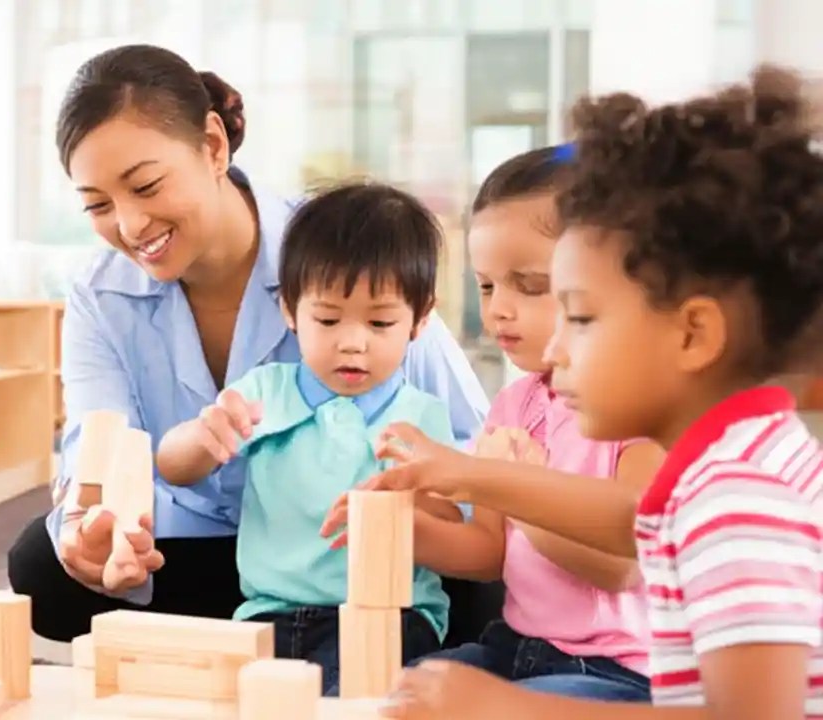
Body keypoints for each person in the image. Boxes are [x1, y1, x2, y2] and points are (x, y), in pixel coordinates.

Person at [327, 66, 823, 720]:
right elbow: (629, 521)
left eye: (581, 318)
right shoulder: (725, 467)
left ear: (694, 333)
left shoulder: (737, 495)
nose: (557, 351)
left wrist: (509, 710)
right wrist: (468, 476)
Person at [6, 42, 490, 643]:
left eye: (147, 186)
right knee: (41, 566)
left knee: (487, 583)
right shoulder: (99, 294)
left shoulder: (334, 247)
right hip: (208, 553)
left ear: (212, 145)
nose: (130, 226)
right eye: (98, 205)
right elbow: (97, 448)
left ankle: (285, 640)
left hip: (347, 549)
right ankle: (271, 635)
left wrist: (422, 516)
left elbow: (471, 445)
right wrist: (93, 525)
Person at [354, 147, 659, 702]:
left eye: (530, 285)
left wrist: (505, 484)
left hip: (618, 671)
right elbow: (489, 552)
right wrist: (398, 526)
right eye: (488, 286)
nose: (498, 310)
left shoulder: (638, 416)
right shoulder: (514, 404)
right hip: (514, 646)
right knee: (397, 694)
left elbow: (619, 568)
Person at [157, 182, 458, 694]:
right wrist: (203, 435)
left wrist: (407, 506)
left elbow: (451, 523)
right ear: (291, 311)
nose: (352, 343)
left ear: (420, 320)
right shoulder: (264, 391)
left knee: (359, 698)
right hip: (270, 612)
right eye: (327, 319)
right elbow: (173, 466)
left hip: (391, 612)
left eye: (381, 322)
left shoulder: (419, 417)